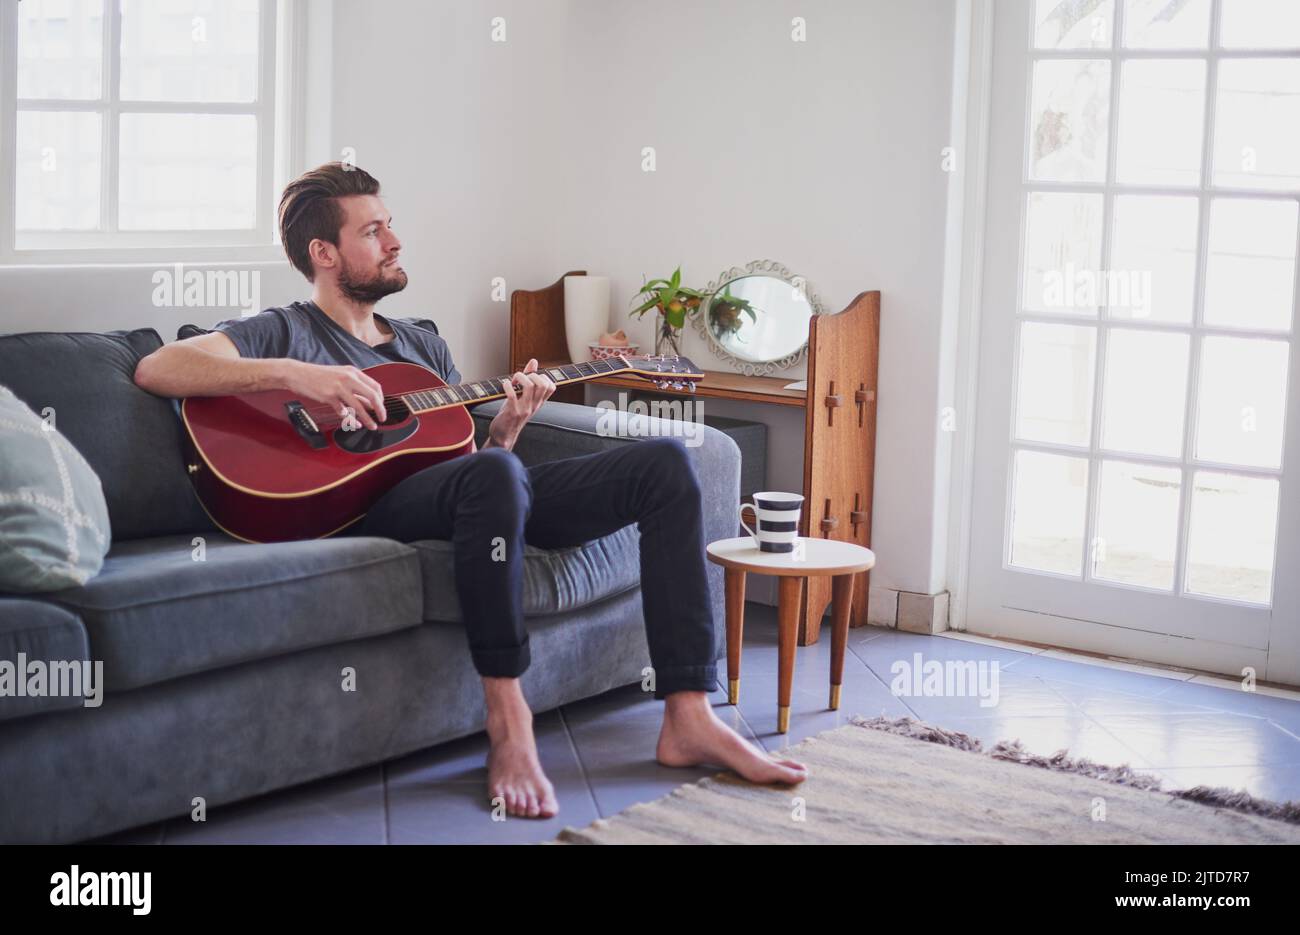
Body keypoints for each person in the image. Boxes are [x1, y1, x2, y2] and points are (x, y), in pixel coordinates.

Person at [134, 162, 808, 819]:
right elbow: (158, 367)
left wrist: (510, 426)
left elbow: (476, 470)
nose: (395, 241)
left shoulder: (423, 345)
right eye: (372, 231)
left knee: (663, 462)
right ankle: (508, 719)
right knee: (494, 475)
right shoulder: (287, 330)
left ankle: (687, 714)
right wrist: (303, 377)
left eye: (390, 225)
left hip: (461, 494)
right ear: (325, 253)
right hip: (370, 509)